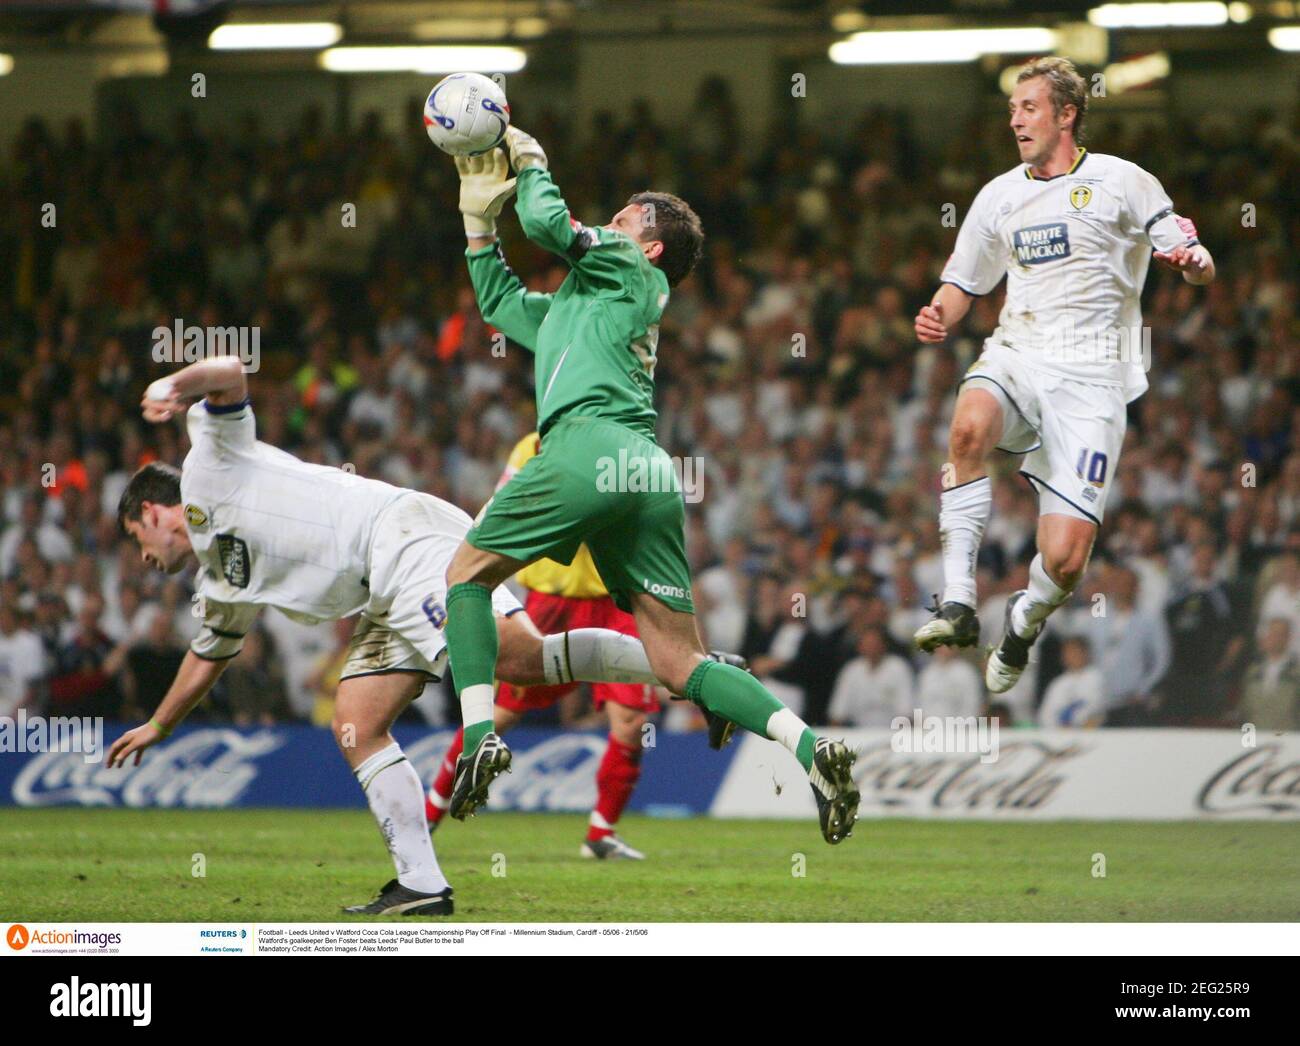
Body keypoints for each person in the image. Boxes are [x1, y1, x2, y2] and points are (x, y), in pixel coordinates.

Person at [107, 355, 705, 916]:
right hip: (383, 590)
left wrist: (174, 386)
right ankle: (421, 882)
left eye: (138, 539)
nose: (144, 558)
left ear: (155, 511)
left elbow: (232, 371)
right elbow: (206, 657)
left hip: (402, 540)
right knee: (357, 722)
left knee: (518, 662)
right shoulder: (218, 585)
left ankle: (685, 667)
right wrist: (159, 725)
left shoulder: (208, 463)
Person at [443, 130, 860, 844]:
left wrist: (534, 158)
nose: (613, 221)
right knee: (678, 661)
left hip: (586, 447)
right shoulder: (583, 302)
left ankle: (480, 732)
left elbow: (547, 225)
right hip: (643, 469)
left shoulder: (633, 272)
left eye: (628, 216)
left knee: (466, 577)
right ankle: (811, 748)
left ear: (652, 245)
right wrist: (478, 223)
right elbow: (501, 305)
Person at [911, 56, 1216, 696]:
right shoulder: (999, 195)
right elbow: (963, 281)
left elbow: (1190, 251)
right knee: (968, 428)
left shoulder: (1122, 181)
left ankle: (1024, 619)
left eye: (1028, 107)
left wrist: (1191, 262)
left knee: (1065, 561)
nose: (1016, 119)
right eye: (1013, 109)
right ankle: (959, 601)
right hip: (1019, 351)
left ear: (1067, 114)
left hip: (1094, 380)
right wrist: (938, 314)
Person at [425, 431, 739, 860]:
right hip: (551, 602)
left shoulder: (629, 447)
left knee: (630, 722)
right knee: (499, 715)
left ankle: (600, 834)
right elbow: (505, 519)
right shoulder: (531, 447)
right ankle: (428, 816)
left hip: (616, 600)